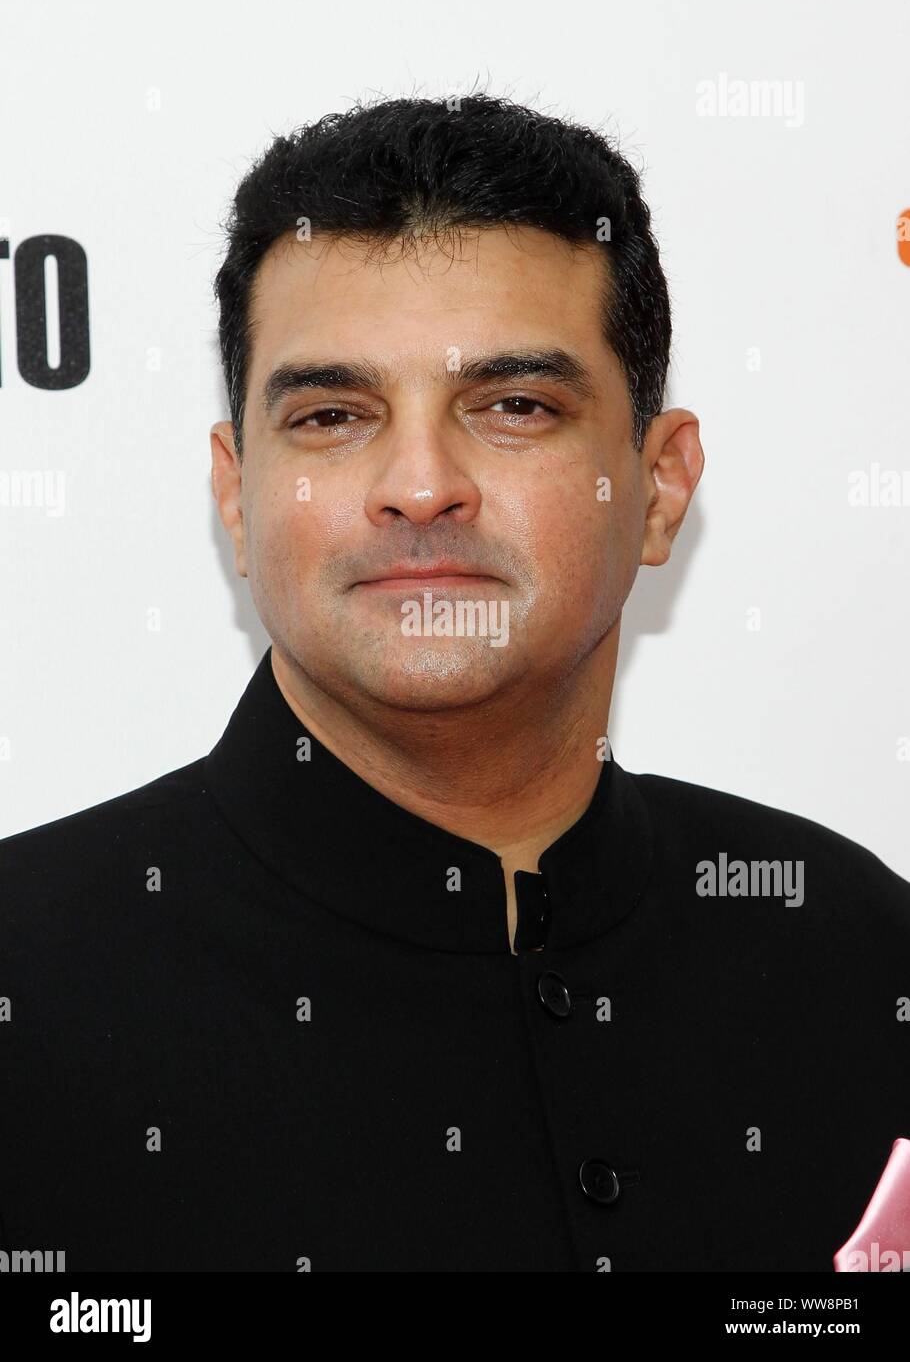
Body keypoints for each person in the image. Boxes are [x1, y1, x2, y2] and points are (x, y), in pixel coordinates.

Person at [1, 94, 907, 1273]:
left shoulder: (856, 952)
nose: (420, 486)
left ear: (660, 484)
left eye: (514, 407)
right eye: (333, 415)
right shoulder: (26, 982)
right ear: (236, 494)